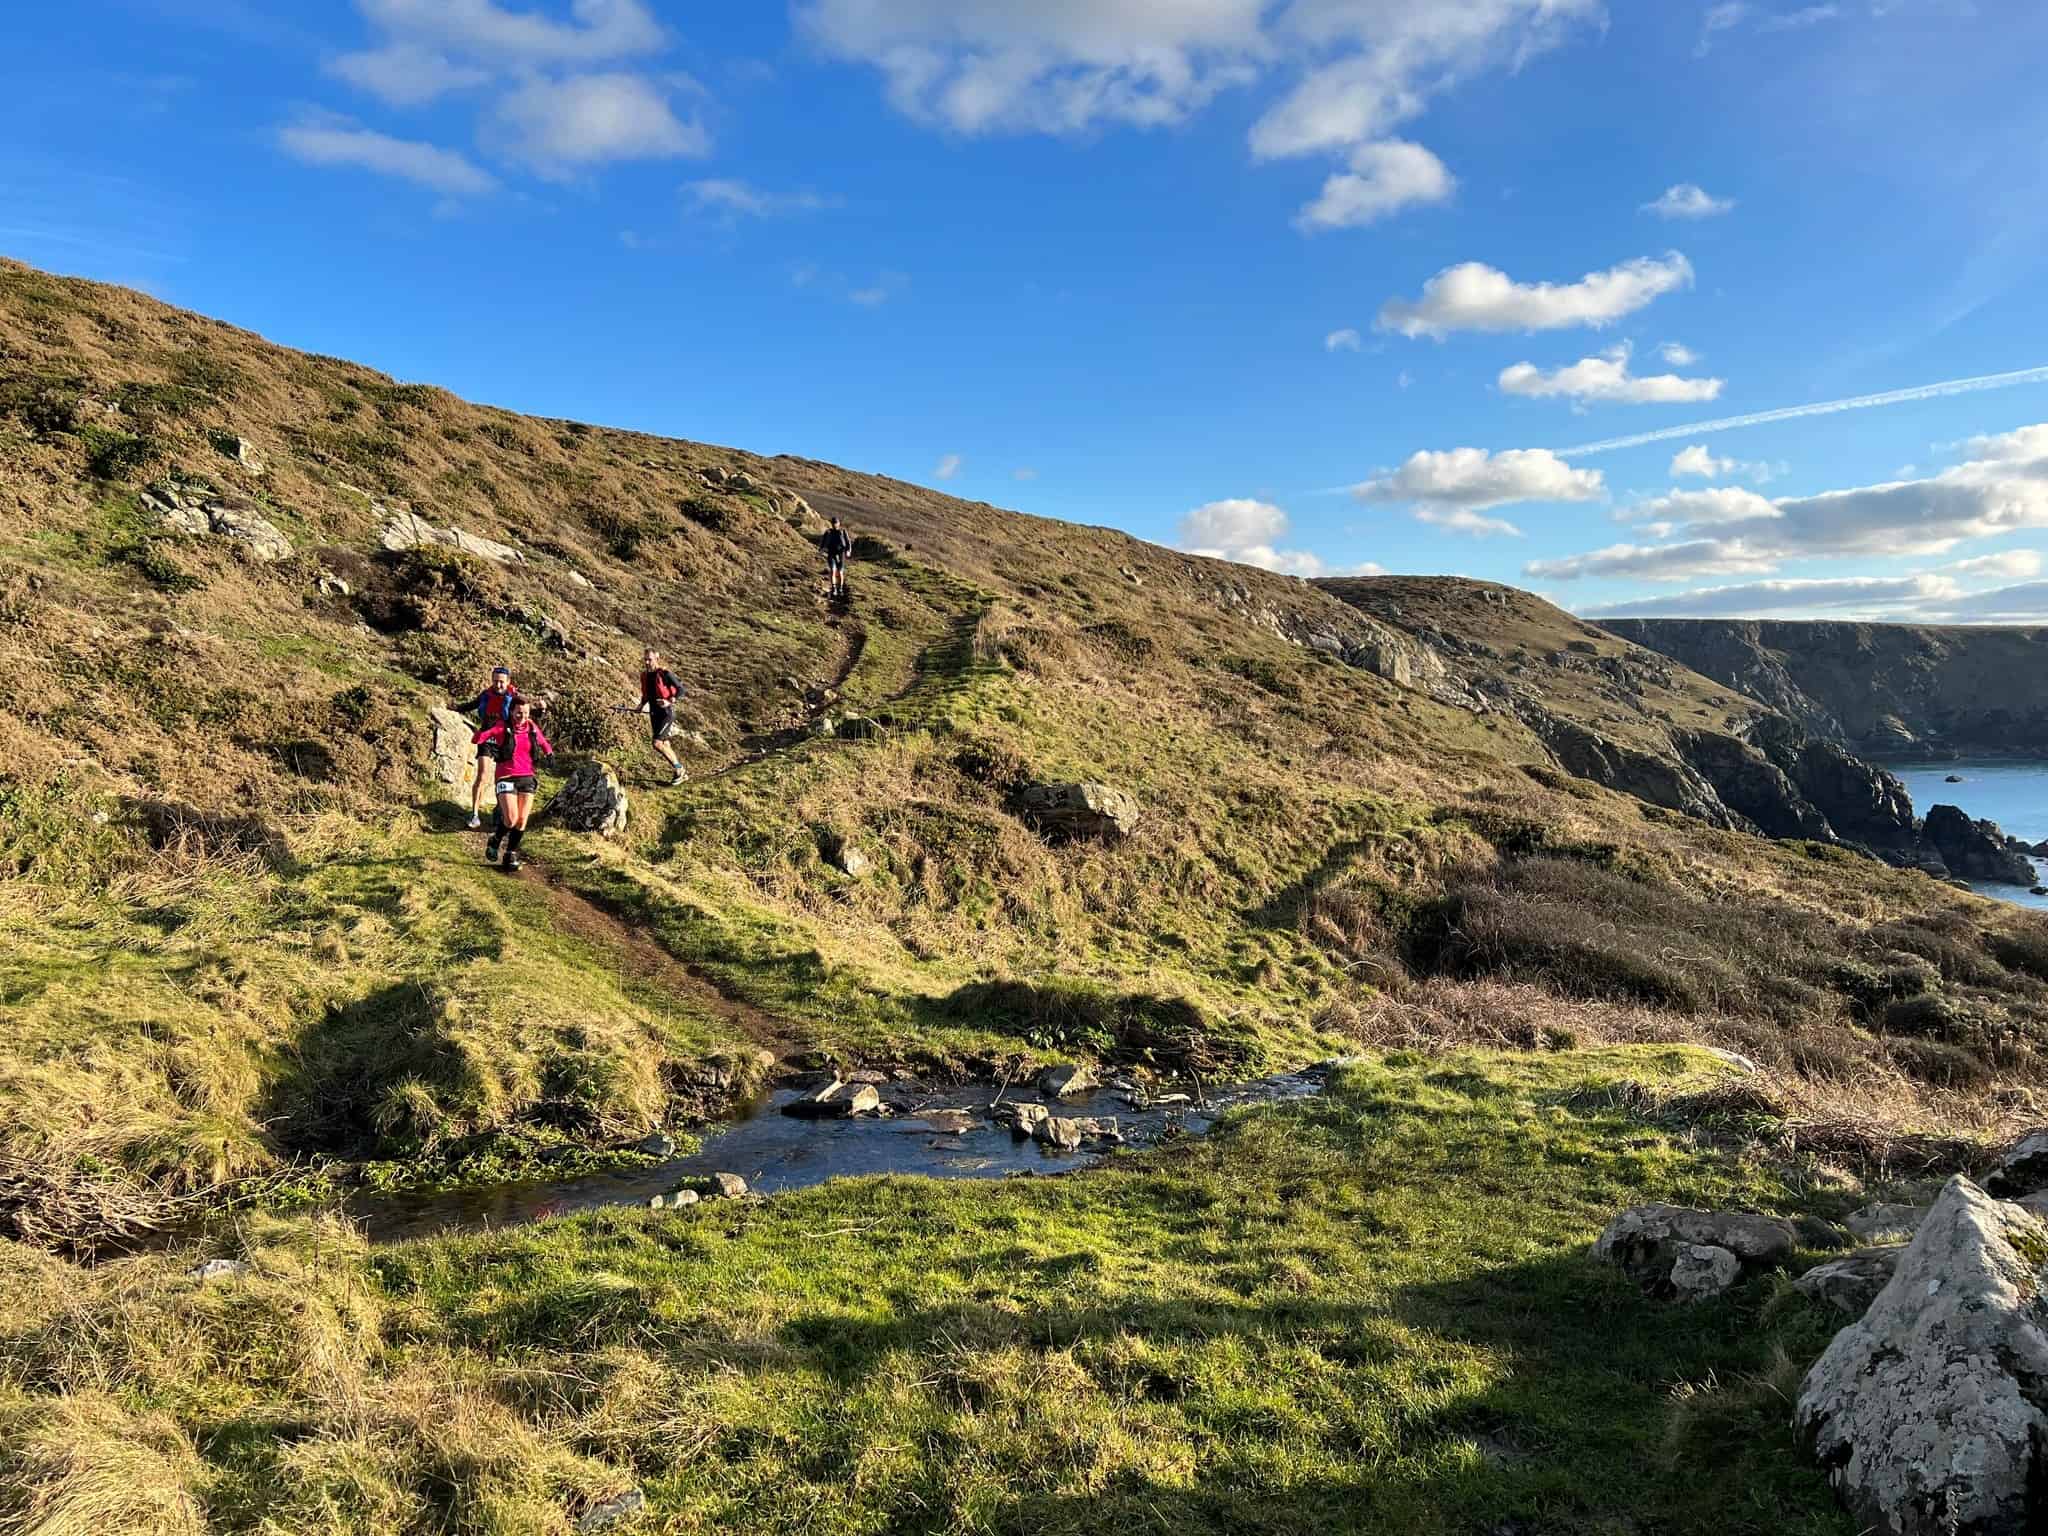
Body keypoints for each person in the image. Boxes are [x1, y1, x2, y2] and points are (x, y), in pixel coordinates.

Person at [473, 698, 553, 872]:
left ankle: (510, 854)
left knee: (522, 820)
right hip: (506, 776)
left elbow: (542, 741)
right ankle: (495, 840)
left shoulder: (531, 726)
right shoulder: (502, 726)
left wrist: (549, 754)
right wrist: (480, 734)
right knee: (511, 818)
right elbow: (481, 737)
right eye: (518, 712)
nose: (522, 716)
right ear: (510, 711)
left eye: (525, 713)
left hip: (527, 776)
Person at [456, 666, 522, 828]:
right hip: (487, 739)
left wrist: (540, 709)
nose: (498, 685)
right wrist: (455, 708)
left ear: (508, 682)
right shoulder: (486, 695)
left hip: (505, 742)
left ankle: (499, 810)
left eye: (501, 682)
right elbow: (471, 705)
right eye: (495, 681)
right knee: (482, 775)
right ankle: (474, 814)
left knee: (502, 779)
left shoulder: (514, 697)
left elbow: (525, 712)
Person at [636, 648, 688, 787]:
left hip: (666, 713)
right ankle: (680, 771)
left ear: (656, 658)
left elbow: (681, 690)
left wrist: (669, 701)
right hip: (654, 713)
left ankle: (679, 769)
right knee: (664, 743)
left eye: (650, 659)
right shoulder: (645, 675)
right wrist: (641, 705)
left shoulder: (665, 673)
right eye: (645, 659)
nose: (647, 662)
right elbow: (647, 694)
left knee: (657, 743)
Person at [821, 517, 853, 599]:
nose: (834, 524)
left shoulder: (843, 531)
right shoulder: (828, 532)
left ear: (839, 523)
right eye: (833, 523)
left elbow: (848, 542)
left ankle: (840, 589)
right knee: (833, 570)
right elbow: (823, 542)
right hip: (831, 553)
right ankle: (834, 588)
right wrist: (821, 549)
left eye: (836, 523)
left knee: (840, 572)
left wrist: (848, 551)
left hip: (841, 553)